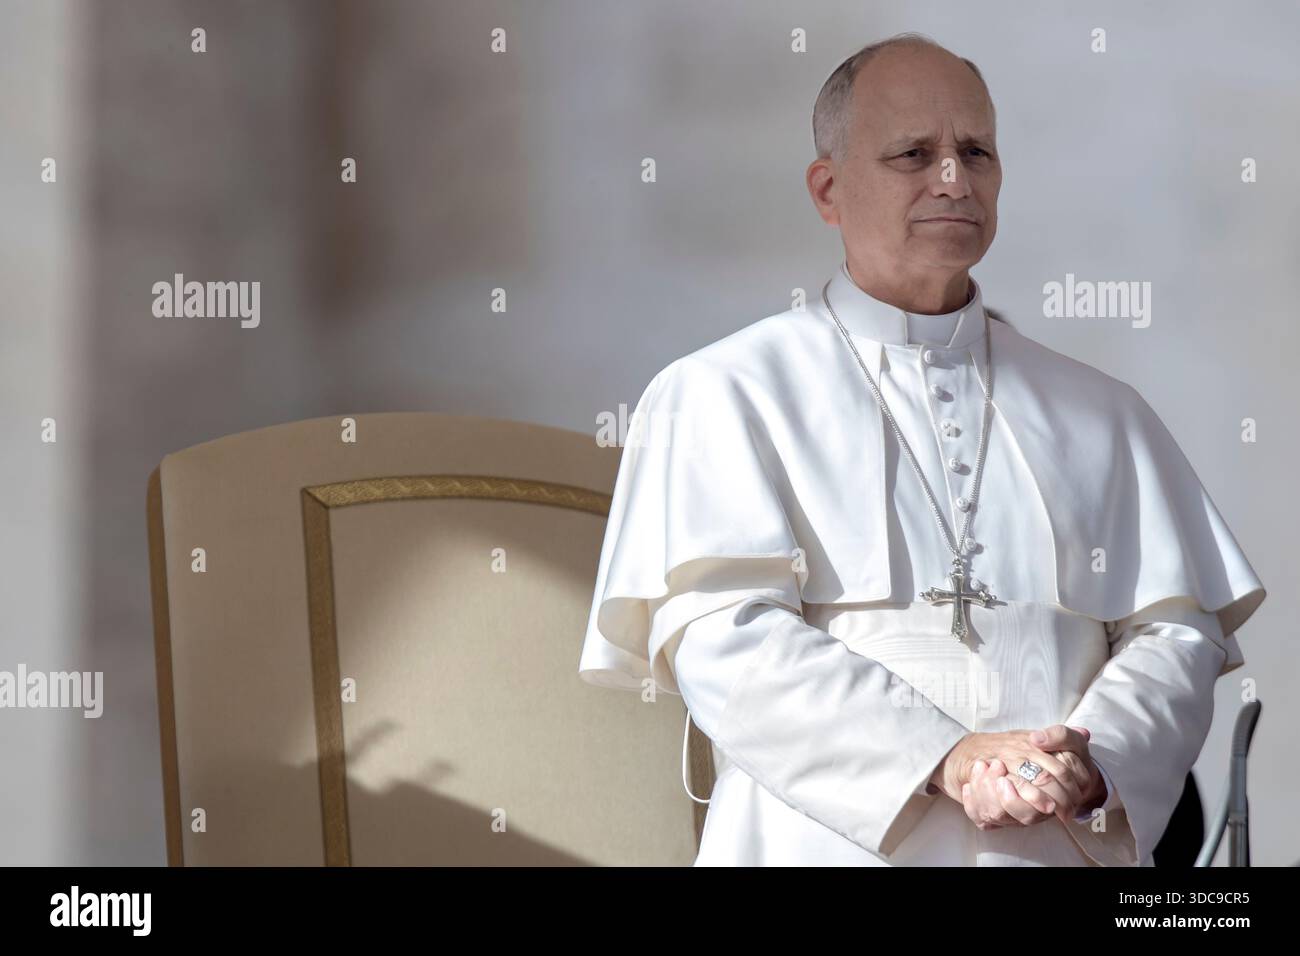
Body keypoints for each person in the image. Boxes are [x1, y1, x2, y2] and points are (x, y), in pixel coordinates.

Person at [577, 33, 1265, 866]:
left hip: (1052, 848)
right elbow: (727, 639)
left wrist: (1095, 758)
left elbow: (1177, 630)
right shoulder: (725, 392)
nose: (954, 178)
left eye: (976, 151)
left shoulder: (1103, 411)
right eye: (914, 153)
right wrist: (945, 757)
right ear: (828, 190)